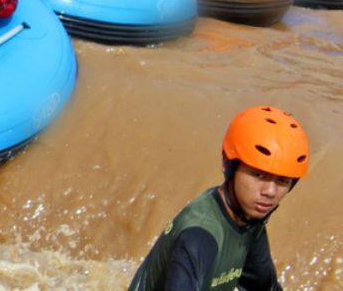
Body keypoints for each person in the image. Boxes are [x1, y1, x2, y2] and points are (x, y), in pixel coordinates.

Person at [129, 105, 310, 290]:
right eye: (259, 175)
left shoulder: (249, 220)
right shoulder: (198, 237)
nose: (270, 192)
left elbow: (265, 288)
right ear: (228, 164)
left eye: (282, 181)